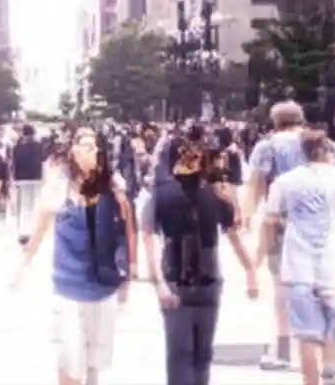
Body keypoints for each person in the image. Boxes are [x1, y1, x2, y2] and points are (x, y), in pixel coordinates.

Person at [13, 130, 135, 385]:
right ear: (73, 151)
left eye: (95, 146)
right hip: (68, 284)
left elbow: (125, 231)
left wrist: (128, 274)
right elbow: (41, 225)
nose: (90, 151)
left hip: (103, 285)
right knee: (70, 356)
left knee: (94, 361)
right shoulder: (60, 185)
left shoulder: (114, 185)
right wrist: (25, 263)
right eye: (85, 145)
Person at [142, 135, 258, 385]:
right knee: (202, 356)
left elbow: (148, 239)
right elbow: (234, 237)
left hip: (175, 279)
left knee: (179, 356)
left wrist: (158, 282)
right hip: (210, 280)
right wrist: (250, 272)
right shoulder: (215, 195)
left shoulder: (160, 196)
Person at [260, 130, 335, 385]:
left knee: (307, 335)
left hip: (297, 266)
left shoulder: (285, 182)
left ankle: (311, 380)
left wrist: (263, 254)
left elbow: (270, 221)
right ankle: (330, 369)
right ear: (327, 150)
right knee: (333, 324)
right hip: (334, 265)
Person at [245, 100, 308, 371]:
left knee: (281, 287)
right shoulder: (316, 143)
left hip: (280, 221)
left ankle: (284, 351)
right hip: (314, 222)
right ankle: (312, 350)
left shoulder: (267, 146)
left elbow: (256, 183)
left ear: (275, 121)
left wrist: (247, 215)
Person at [13, 124, 46, 245]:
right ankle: (34, 230)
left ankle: (24, 232)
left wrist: (15, 180)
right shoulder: (38, 146)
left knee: (25, 206)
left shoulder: (17, 147)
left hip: (22, 179)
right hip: (36, 177)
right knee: (36, 204)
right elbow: (43, 162)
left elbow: (15, 165)